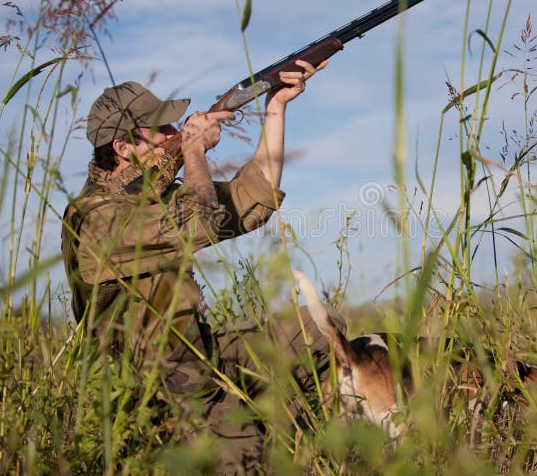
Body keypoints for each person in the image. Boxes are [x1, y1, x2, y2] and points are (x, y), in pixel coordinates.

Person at [61, 60, 343, 473]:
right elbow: (201, 220)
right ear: (123, 148)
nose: (175, 132)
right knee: (244, 460)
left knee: (321, 328)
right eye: (162, 129)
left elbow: (254, 199)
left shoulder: (152, 199)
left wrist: (275, 107)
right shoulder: (96, 218)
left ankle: (284, 442)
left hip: (198, 353)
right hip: (155, 383)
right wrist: (193, 152)